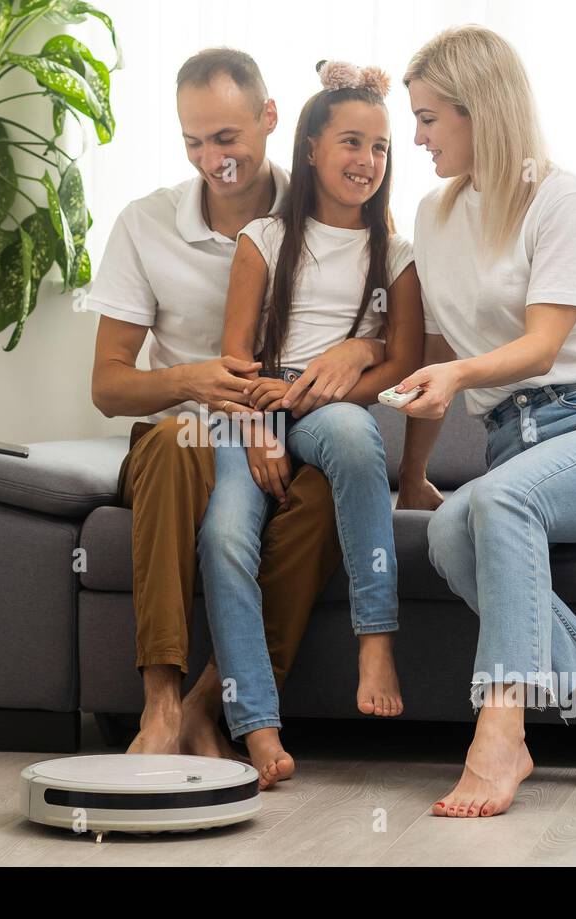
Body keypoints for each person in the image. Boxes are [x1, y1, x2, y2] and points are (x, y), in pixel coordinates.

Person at [392, 25, 576, 818]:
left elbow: (545, 343)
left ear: (480, 110)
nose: (413, 137)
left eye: (428, 118)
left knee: (499, 502)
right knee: (450, 533)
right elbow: (440, 346)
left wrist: (453, 374)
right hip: (512, 443)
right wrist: (410, 463)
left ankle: (503, 729)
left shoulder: (565, 199)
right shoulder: (433, 213)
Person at [85, 48, 385, 759]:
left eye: (227, 138)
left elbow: (394, 317)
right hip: (187, 438)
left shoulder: (325, 208)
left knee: (318, 496)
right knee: (168, 446)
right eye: (193, 140)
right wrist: (193, 381)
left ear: (270, 119)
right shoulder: (146, 223)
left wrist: (366, 351)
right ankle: (159, 703)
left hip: (291, 432)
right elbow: (107, 387)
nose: (211, 158)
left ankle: (210, 704)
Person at [199, 60, 425, 788]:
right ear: (310, 150)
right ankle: (256, 726)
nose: (368, 162)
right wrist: (262, 429)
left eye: (381, 148)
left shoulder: (396, 253)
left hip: (337, 405)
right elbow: (233, 358)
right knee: (224, 533)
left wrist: (347, 377)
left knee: (359, 442)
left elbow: (405, 362)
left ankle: (377, 636)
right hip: (260, 404)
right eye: (352, 144)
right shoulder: (263, 240)